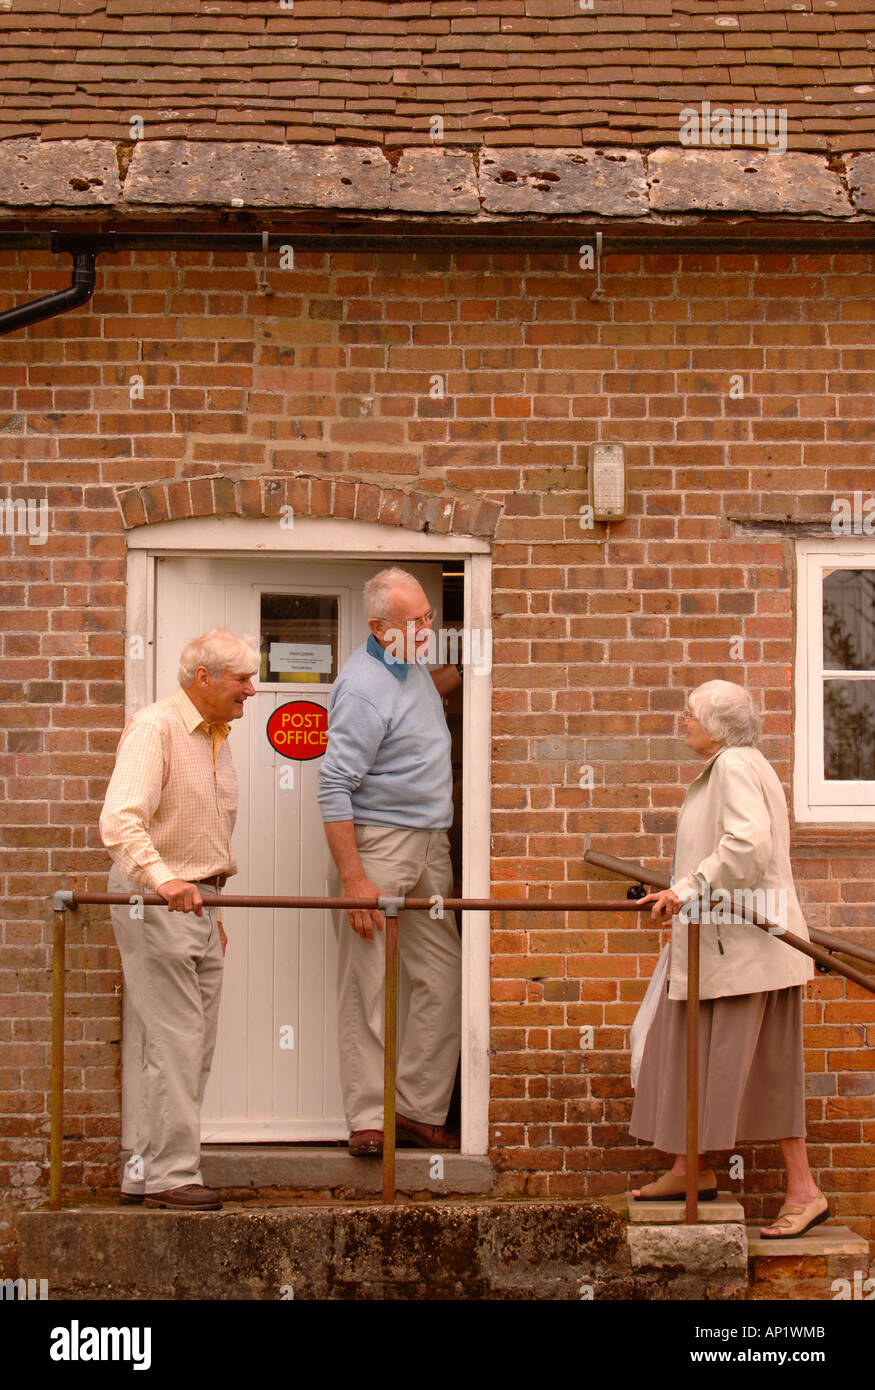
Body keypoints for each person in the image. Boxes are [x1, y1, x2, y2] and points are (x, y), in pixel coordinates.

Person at [629, 680, 828, 1239]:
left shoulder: (736, 766)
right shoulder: (733, 764)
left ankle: (805, 1192)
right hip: (721, 947)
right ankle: (690, 1169)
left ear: (716, 725)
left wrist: (686, 889)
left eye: (690, 713)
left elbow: (747, 847)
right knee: (687, 1048)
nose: (682, 721)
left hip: (747, 951)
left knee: (767, 1070)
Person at [99, 628, 258, 1210]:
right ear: (204, 678)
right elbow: (119, 821)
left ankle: (142, 1172)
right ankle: (172, 1175)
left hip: (198, 903)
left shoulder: (216, 734)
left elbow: (201, 831)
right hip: (158, 898)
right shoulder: (156, 728)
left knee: (184, 1043)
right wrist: (168, 881)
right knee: (177, 1039)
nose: (252, 690)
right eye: (242, 679)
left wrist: (207, 900)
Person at [317, 568, 462, 1156]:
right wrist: (355, 878)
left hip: (431, 842)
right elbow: (333, 786)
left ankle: (417, 1108)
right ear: (379, 627)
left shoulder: (409, 667)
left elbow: (427, 694)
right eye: (416, 621)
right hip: (379, 847)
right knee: (367, 985)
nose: (428, 628)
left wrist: (487, 666)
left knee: (443, 976)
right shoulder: (362, 687)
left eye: (430, 616)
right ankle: (368, 1119)